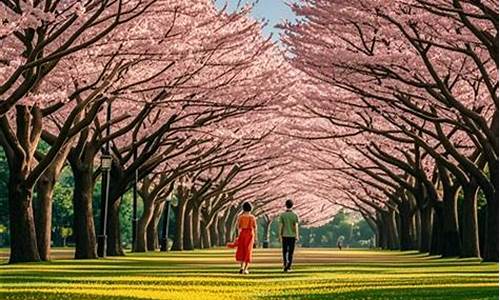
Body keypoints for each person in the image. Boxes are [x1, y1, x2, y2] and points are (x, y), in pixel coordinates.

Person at [227, 202, 256, 274]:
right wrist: (256, 238)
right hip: (250, 234)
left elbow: (238, 227)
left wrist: (238, 236)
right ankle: (246, 268)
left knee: (242, 250)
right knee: (248, 251)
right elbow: (255, 228)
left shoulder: (240, 217)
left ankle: (241, 267)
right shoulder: (252, 217)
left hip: (242, 234)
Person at [279, 199, 299, 272]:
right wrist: (297, 235)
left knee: (284, 251)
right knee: (291, 252)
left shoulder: (282, 215)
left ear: (285, 205)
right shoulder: (294, 215)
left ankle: (285, 265)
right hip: (292, 236)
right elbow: (295, 226)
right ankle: (289, 266)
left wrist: (279, 235)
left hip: (284, 235)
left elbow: (281, 226)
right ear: (292, 205)